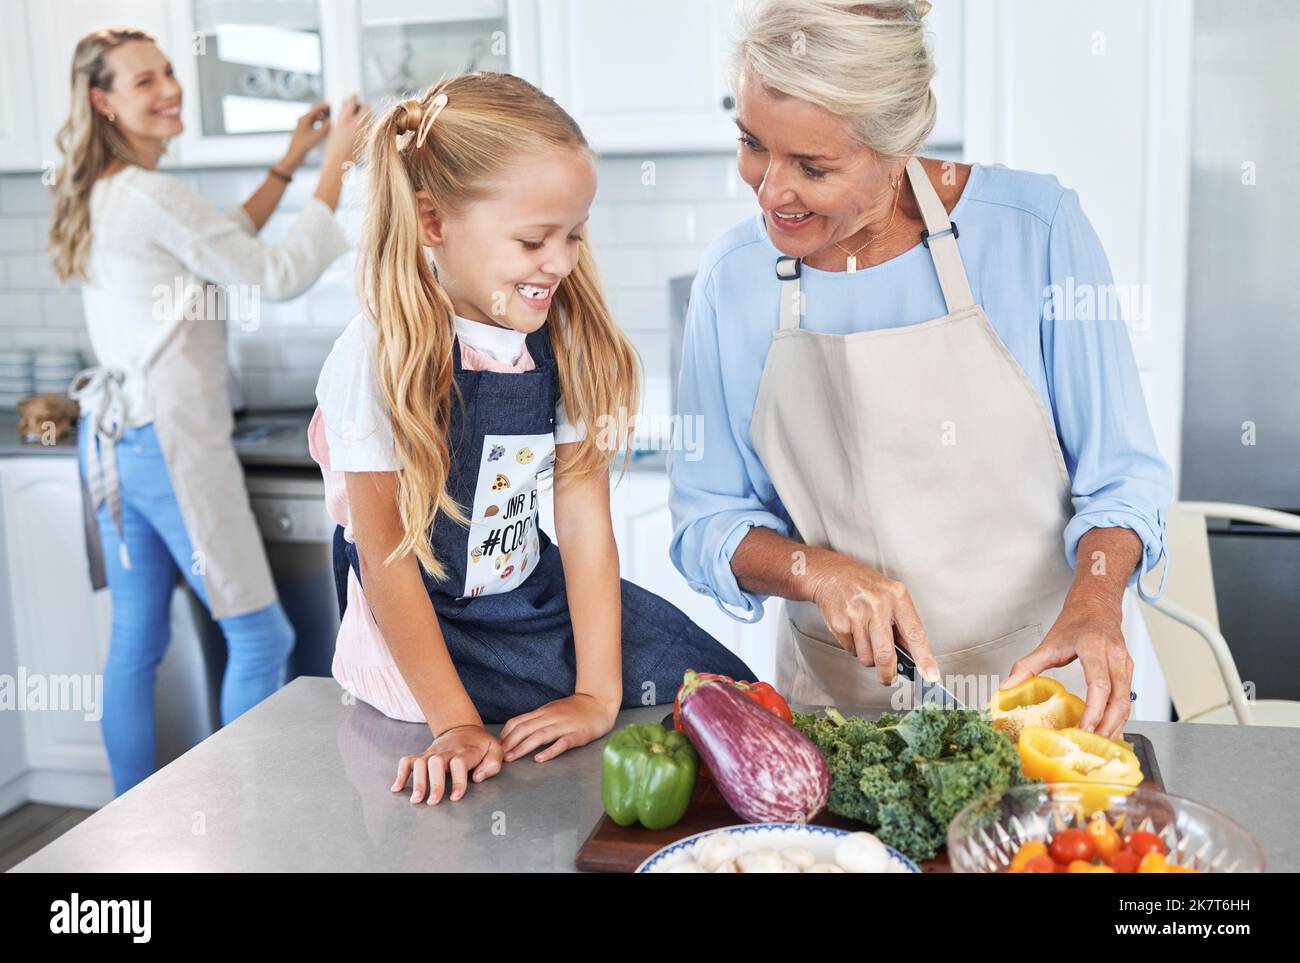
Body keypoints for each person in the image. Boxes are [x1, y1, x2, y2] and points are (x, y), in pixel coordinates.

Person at [669, 0, 1174, 738]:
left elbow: (1122, 479)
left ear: (898, 144)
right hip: (837, 727)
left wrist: (1096, 608)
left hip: (1042, 708)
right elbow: (707, 520)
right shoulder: (734, 277)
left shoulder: (1035, 232)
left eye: (812, 166)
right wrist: (819, 571)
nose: (771, 190)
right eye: (752, 144)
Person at [308, 72, 754, 805]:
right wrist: (453, 723)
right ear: (432, 222)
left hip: (529, 602)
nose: (563, 261)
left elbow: (581, 519)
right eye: (533, 239)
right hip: (427, 625)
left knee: (730, 695)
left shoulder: (564, 334)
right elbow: (385, 560)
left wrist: (597, 696)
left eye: (574, 233)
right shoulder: (376, 353)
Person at [47, 27, 367, 795]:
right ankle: (237, 827)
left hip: (116, 440)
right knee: (262, 637)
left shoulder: (106, 188)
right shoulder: (151, 194)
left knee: (137, 638)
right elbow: (275, 273)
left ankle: (125, 811)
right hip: (172, 444)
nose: (168, 90)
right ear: (103, 101)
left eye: (168, 73)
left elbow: (220, 242)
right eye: (142, 81)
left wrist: (288, 163)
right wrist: (331, 171)